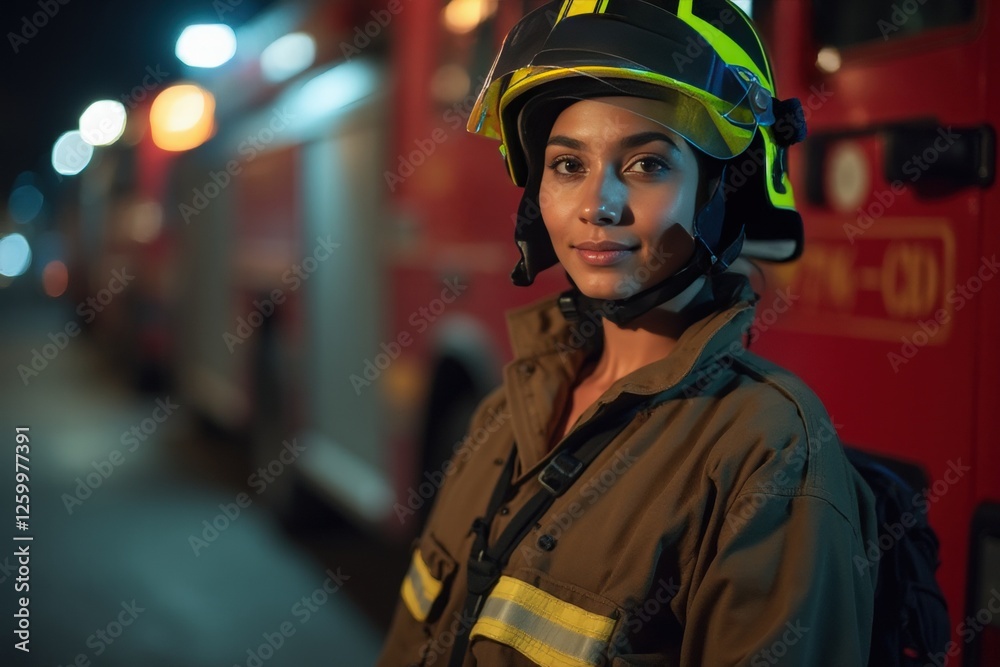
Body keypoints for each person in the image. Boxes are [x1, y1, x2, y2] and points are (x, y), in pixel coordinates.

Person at [378, 1, 878, 665]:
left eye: (646, 164)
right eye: (567, 164)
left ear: (719, 193)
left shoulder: (768, 449)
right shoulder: (505, 414)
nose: (597, 205)